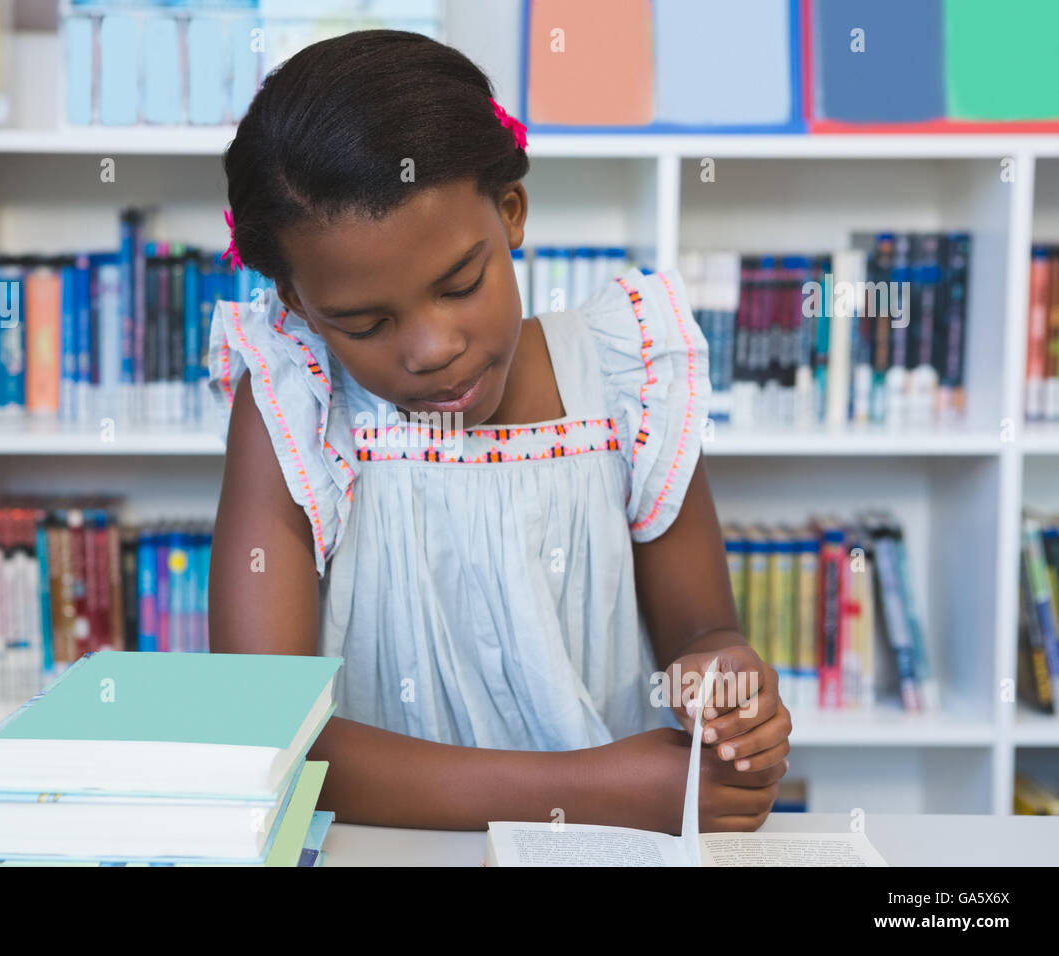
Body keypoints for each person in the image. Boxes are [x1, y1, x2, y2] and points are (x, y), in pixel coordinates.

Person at [207, 29, 790, 832]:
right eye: (364, 323)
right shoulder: (294, 406)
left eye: (459, 284)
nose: (431, 350)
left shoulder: (629, 378)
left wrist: (725, 686)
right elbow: (266, 736)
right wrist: (606, 791)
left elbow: (705, 630)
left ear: (511, 212)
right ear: (299, 305)